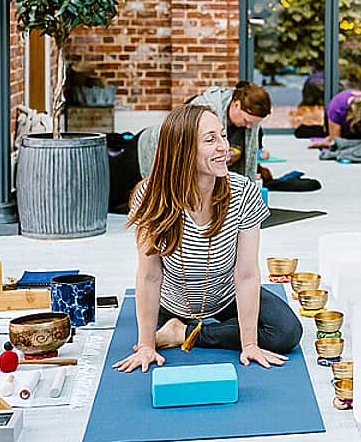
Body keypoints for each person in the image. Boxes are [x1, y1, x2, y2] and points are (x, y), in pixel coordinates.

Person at [112, 104, 301, 374]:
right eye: (210, 140)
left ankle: (182, 333)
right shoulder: (150, 196)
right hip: (173, 303)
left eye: (222, 136)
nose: (224, 146)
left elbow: (246, 274)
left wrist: (249, 344)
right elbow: (150, 276)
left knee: (286, 332)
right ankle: (179, 326)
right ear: (182, 149)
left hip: (225, 297)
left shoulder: (244, 192)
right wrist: (145, 346)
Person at [108, 82, 272, 213]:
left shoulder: (249, 127)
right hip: (148, 148)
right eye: (246, 120)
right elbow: (184, 151)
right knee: (116, 197)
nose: (249, 127)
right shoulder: (205, 107)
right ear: (236, 105)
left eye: (253, 123)